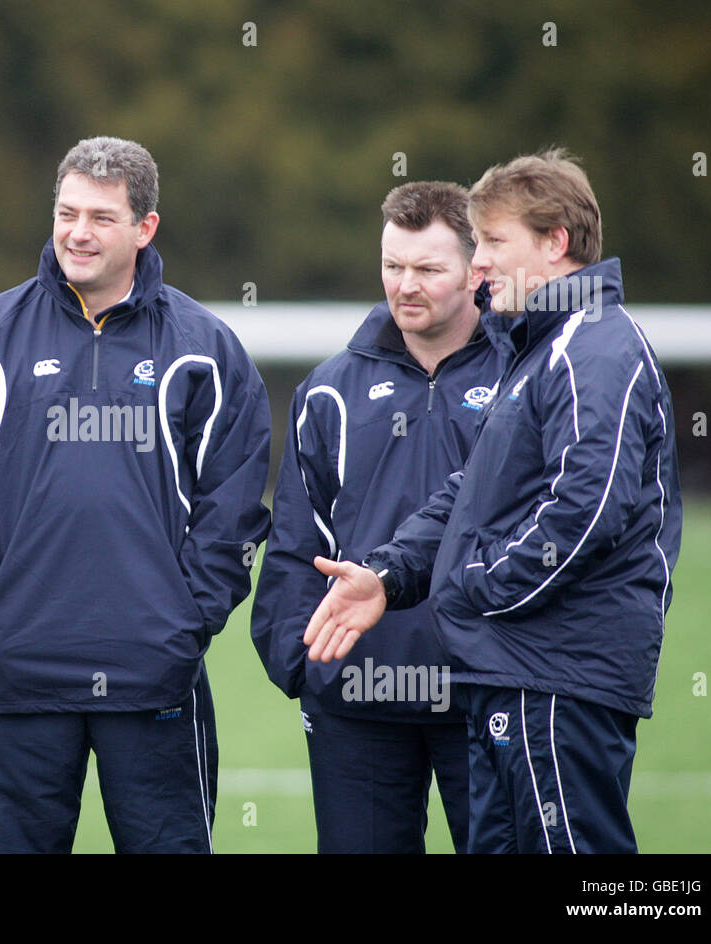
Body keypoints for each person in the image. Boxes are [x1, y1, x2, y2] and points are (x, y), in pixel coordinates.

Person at [0, 136, 271, 854]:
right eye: (67, 212)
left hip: (155, 673)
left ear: (145, 227)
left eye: (101, 217)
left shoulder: (205, 348)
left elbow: (235, 504)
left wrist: (188, 619)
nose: (77, 232)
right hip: (19, 670)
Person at [304, 149, 682, 854]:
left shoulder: (593, 348)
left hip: (557, 672)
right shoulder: (536, 350)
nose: (478, 263)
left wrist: (478, 588)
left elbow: (588, 508)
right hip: (511, 668)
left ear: (556, 243)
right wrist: (388, 576)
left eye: (493, 242)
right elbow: (468, 497)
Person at [251, 181, 503, 853]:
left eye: (428, 268)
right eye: (393, 265)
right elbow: (295, 543)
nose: (406, 284)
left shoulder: (525, 380)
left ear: (475, 270)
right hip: (355, 699)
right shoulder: (329, 390)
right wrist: (302, 664)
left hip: (486, 694)